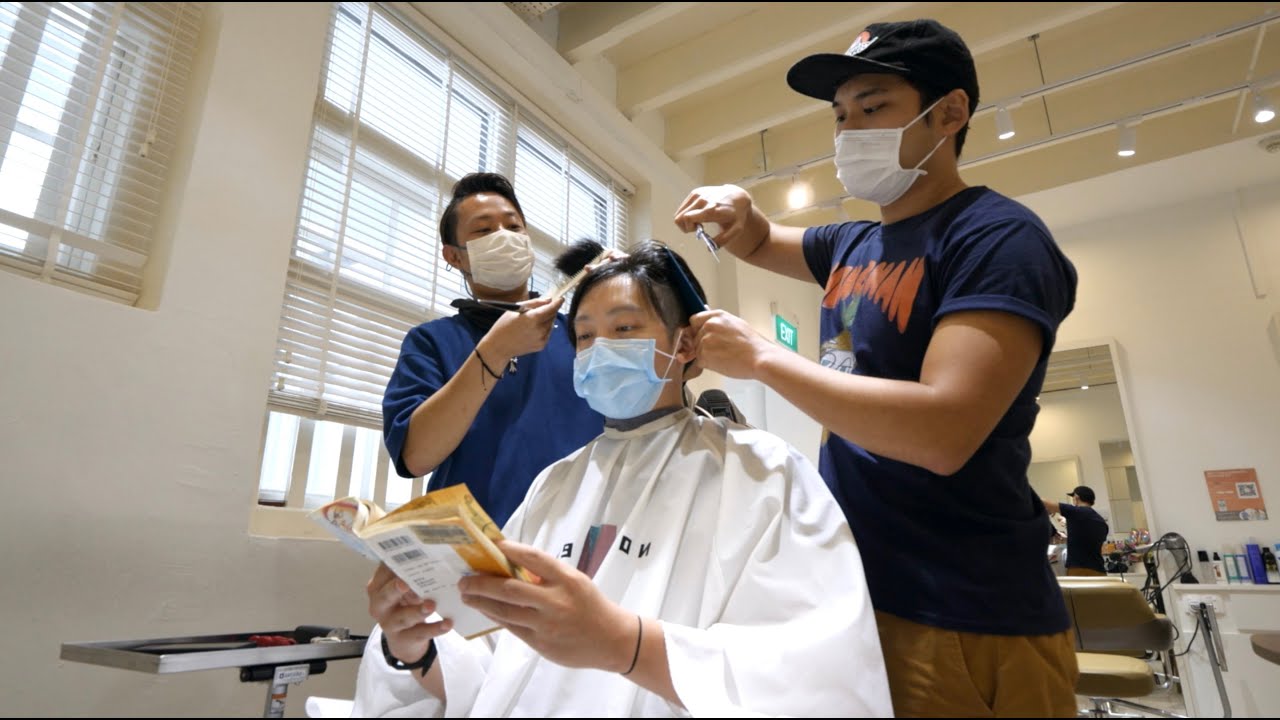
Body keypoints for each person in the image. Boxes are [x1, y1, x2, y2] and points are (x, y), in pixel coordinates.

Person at [672, 19, 1080, 717]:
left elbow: (943, 432)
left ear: (949, 113)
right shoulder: (853, 244)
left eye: (873, 107)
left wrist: (763, 359)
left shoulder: (996, 238)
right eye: (840, 116)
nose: (849, 132)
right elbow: (761, 240)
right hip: (858, 593)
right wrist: (739, 210)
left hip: (966, 613)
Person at [353, 241, 892, 717]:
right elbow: (491, 670)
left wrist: (624, 644)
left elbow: (808, 675)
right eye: (585, 336)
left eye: (625, 329)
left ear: (685, 345)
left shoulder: (763, 473)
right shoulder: (554, 485)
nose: (599, 349)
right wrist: (414, 645)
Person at [382, 173, 602, 528]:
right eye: (484, 230)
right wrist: (495, 351)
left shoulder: (582, 335)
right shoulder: (431, 341)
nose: (505, 237)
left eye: (514, 227)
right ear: (454, 256)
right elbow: (416, 457)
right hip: (475, 547)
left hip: (575, 539)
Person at [1043, 485, 1110, 577]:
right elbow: (1086, 541)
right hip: (1099, 570)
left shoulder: (1076, 512)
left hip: (1079, 570)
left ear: (1076, 497)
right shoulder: (1101, 522)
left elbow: (1044, 502)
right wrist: (1068, 539)